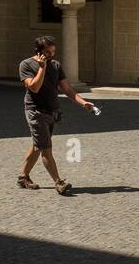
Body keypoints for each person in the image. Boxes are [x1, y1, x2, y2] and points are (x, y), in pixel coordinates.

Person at [18, 35, 94, 195]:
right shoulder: (26, 65)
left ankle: (23, 177)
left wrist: (83, 102)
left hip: (52, 111)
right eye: (47, 52)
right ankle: (58, 183)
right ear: (38, 51)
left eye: (53, 51)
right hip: (35, 112)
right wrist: (41, 68)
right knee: (45, 148)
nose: (51, 55)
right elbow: (34, 88)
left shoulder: (56, 65)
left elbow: (66, 89)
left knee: (38, 145)